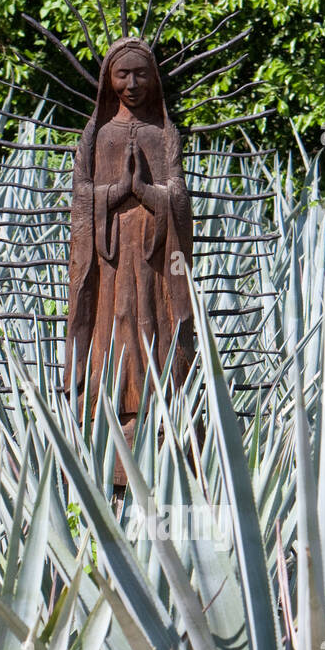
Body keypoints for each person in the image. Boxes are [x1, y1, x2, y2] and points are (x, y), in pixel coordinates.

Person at [65, 37, 194, 433]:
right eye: (123, 75)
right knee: (116, 319)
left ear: (153, 79)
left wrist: (147, 193)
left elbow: (179, 197)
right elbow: (81, 195)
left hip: (155, 253)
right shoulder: (99, 134)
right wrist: (119, 190)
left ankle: (157, 412)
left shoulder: (164, 133)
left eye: (141, 74)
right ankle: (108, 410)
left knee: (152, 320)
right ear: (110, 79)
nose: (133, 84)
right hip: (110, 257)